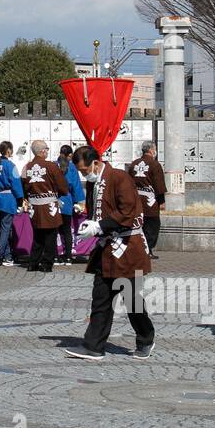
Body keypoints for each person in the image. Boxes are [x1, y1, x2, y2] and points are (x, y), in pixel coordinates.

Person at [65, 145, 154, 361]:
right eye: (82, 172)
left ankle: (146, 337)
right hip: (106, 248)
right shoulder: (94, 183)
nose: (85, 174)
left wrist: (100, 225)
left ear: (96, 162)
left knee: (132, 300)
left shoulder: (120, 178)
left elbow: (127, 211)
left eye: (86, 170)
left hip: (127, 247)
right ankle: (93, 346)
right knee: (101, 298)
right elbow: (95, 211)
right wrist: (91, 224)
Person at [21, 141, 70, 273]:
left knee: (37, 236)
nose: (47, 152)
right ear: (43, 151)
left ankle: (33, 263)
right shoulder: (51, 166)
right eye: (46, 149)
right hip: (49, 206)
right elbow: (62, 185)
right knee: (50, 236)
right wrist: (63, 191)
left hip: (34, 207)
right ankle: (47, 264)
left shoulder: (26, 167)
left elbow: (23, 186)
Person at [128, 141, 167, 259]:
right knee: (152, 226)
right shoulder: (155, 165)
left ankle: (138, 250)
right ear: (151, 150)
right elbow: (159, 185)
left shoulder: (134, 164)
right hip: (150, 202)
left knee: (139, 225)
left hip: (136, 200)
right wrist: (162, 201)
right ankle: (147, 249)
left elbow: (128, 182)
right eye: (154, 149)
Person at [55, 143, 86, 265]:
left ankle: (56, 257)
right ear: (70, 155)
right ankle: (68, 257)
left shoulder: (53, 165)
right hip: (67, 199)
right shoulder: (72, 167)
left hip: (55, 200)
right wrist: (80, 202)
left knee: (55, 230)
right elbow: (76, 186)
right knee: (67, 229)